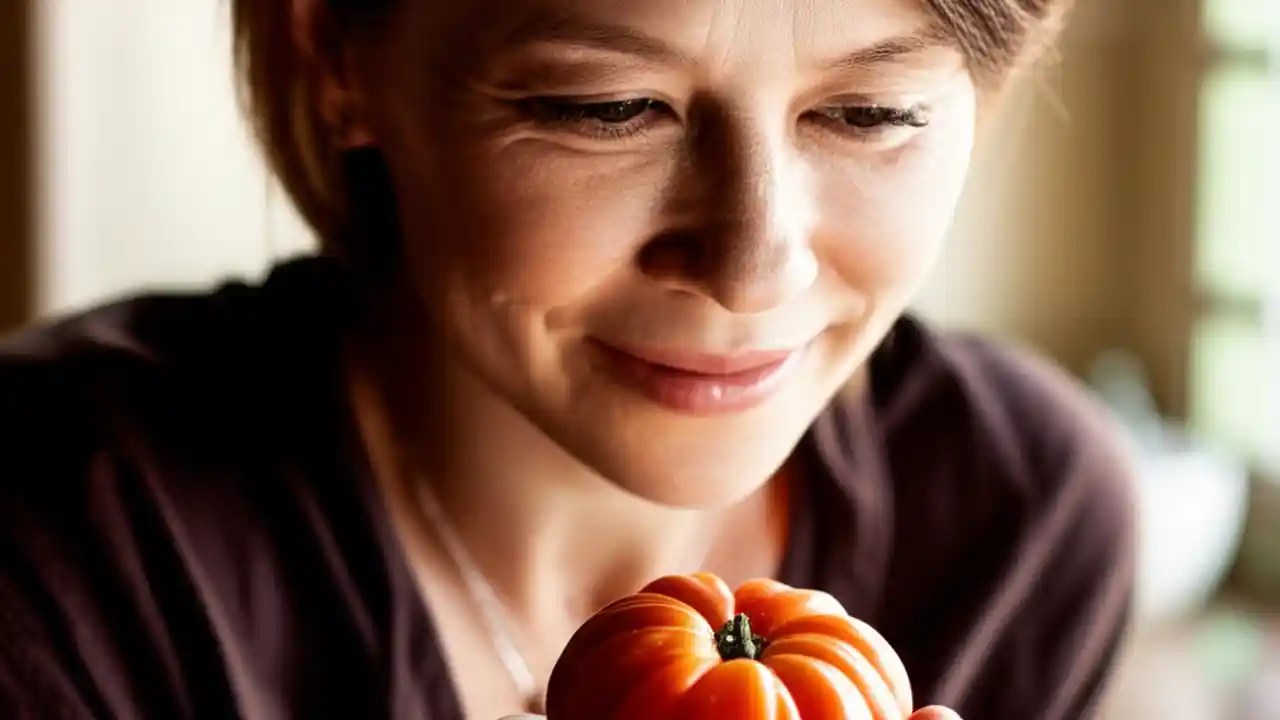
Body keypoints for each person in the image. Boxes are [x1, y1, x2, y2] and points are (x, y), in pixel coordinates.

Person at [0, 0, 1136, 717]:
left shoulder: (1017, 524)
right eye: (609, 108)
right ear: (337, 51)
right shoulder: (64, 545)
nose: (749, 267)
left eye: (873, 113)